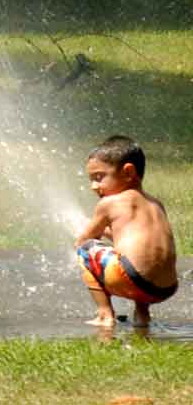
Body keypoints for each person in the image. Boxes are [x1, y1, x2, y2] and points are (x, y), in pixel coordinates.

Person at [75, 134, 177, 327]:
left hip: (130, 280)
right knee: (137, 260)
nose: (93, 186)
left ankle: (104, 315)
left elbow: (85, 239)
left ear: (128, 172)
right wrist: (107, 233)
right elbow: (128, 240)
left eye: (99, 177)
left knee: (86, 249)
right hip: (166, 287)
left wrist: (83, 232)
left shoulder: (109, 203)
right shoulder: (156, 203)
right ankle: (142, 315)